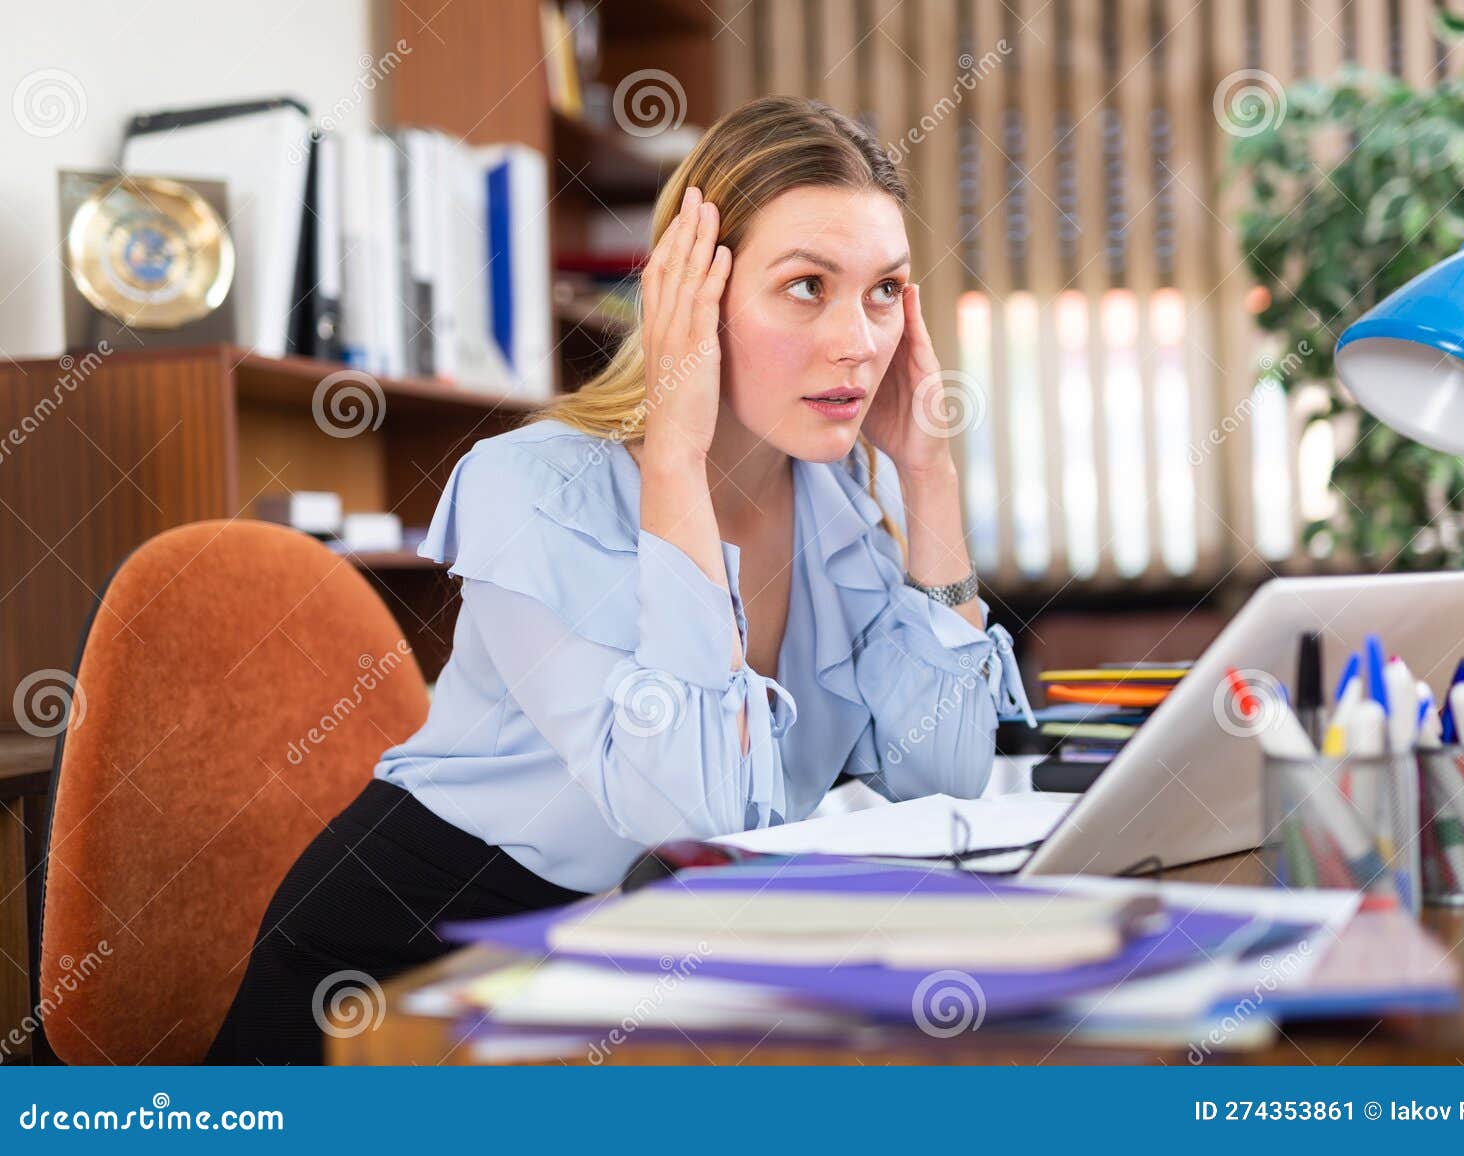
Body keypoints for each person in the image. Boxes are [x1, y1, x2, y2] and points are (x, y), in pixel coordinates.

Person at [207, 94, 1033, 1064]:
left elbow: (947, 773)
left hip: (637, 962)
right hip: (408, 968)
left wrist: (929, 476)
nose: (858, 338)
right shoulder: (532, 487)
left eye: (884, 290)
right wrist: (676, 453)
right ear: (693, 294)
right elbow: (690, 816)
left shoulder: (845, 496)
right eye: (808, 285)